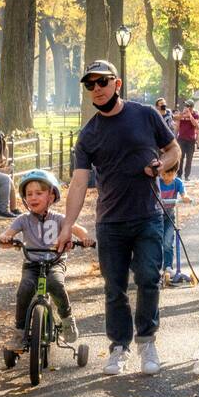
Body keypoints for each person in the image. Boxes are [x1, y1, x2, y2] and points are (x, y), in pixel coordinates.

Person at [59, 60, 180, 377]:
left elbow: (173, 150)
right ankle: (118, 347)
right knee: (114, 288)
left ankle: (147, 341)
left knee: (148, 279)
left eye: (102, 82)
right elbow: (79, 183)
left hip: (148, 216)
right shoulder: (88, 135)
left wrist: (160, 164)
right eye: (90, 84)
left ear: (118, 83)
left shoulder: (145, 115)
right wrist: (67, 226)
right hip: (110, 222)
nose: (96, 89)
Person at [0, 170, 92, 351]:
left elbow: (79, 230)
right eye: (29, 194)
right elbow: (7, 235)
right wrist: (5, 239)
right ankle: (19, 330)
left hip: (54, 261)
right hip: (32, 264)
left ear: (51, 196)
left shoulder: (59, 219)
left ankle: (66, 319)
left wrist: (86, 239)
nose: (33, 197)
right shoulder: (22, 220)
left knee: (56, 284)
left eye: (39, 193)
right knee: (24, 289)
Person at [157, 163, 192, 283]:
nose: (167, 177)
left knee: (168, 242)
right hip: (157, 215)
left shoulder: (177, 182)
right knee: (156, 241)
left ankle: (168, 267)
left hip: (170, 215)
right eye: (164, 174)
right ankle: (156, 268)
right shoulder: (158, 182)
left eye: (170, 174)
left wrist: (185, 197)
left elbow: (183, 193)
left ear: (175, 172)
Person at [174, 100, 199, 180]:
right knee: (180, 158)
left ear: (191, 107)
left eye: (187, 106)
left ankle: (187, 175)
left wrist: (190, 115)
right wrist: (175, 137)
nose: (186, 107)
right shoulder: (181, 115)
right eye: (185, 106)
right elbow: (176, 121)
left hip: (191, 140)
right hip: (181, 139)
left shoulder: (195, 115)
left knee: (189, 159)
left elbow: (196, 125)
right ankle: (179, 175)